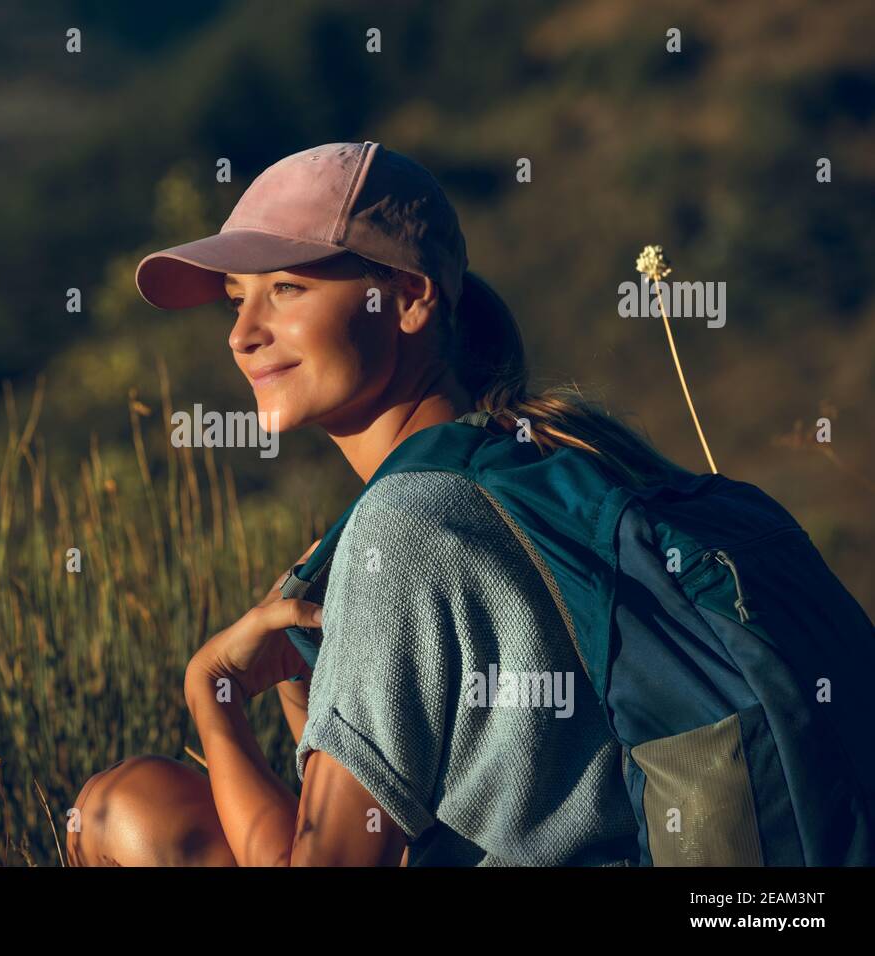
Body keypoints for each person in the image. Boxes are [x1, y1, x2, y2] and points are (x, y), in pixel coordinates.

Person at [66, 142, 687, 866]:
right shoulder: (559, 461)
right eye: (238, 300)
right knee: (133, 800)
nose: (242, 334)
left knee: (106, 820)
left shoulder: (405, 527)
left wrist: (214, 696)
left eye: (287, 290)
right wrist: (314, 691)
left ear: (410, 297)